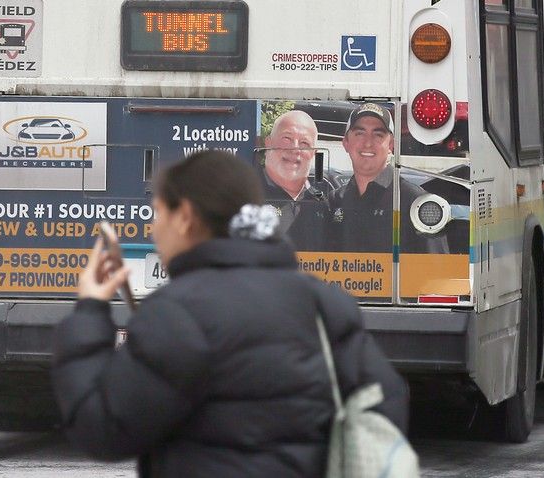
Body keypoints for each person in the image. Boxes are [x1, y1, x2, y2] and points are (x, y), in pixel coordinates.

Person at [52, 151, 408, 478]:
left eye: (160, 213)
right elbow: (385, 398)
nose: (153, 227)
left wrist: (89, 313)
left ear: (186, 217)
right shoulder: (324, 302)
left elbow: (104, 429)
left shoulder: (177, 313)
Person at [330, 103, 449, 254]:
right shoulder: (335, 200)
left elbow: (437, 271)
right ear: (346, 143)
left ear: (391, 145)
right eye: (360, 133)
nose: (368, 143)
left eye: (378, 135)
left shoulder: (418, 203)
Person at [260, 109, 332, 250]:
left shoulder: (324, 201)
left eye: (304, 143)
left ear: (313, 153)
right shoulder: (244, 194)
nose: (295, 149)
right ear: (268, 143)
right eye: (287, 138)